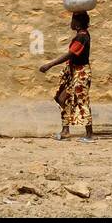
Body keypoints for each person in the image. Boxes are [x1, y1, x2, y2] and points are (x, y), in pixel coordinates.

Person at [40, 10, 93, 142]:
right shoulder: (80, 35)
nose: (71, 22)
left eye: (73, 20)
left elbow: (70, 54)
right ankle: (65, 131)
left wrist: (50, 65)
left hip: (81, 72)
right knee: (61, 98)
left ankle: (89, 134)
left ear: (77, 23)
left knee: (82, 100)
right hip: (72, 71)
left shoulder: (82, 37)